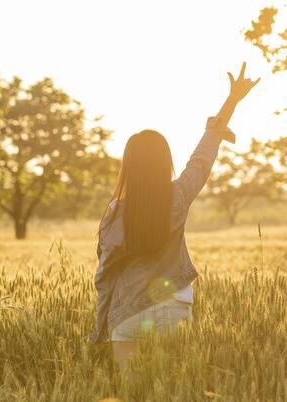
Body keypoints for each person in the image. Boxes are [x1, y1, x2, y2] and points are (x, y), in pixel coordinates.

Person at [89, 63, 260, 371]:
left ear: (128, 165)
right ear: (165, 160)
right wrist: (231, 101)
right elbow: (202, 158)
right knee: (173, 389)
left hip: (127, 312)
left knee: (132, 395)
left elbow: (104, 274)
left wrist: (101, 323)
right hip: (174, 307)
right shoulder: (178, 196)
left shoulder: (115, 211)